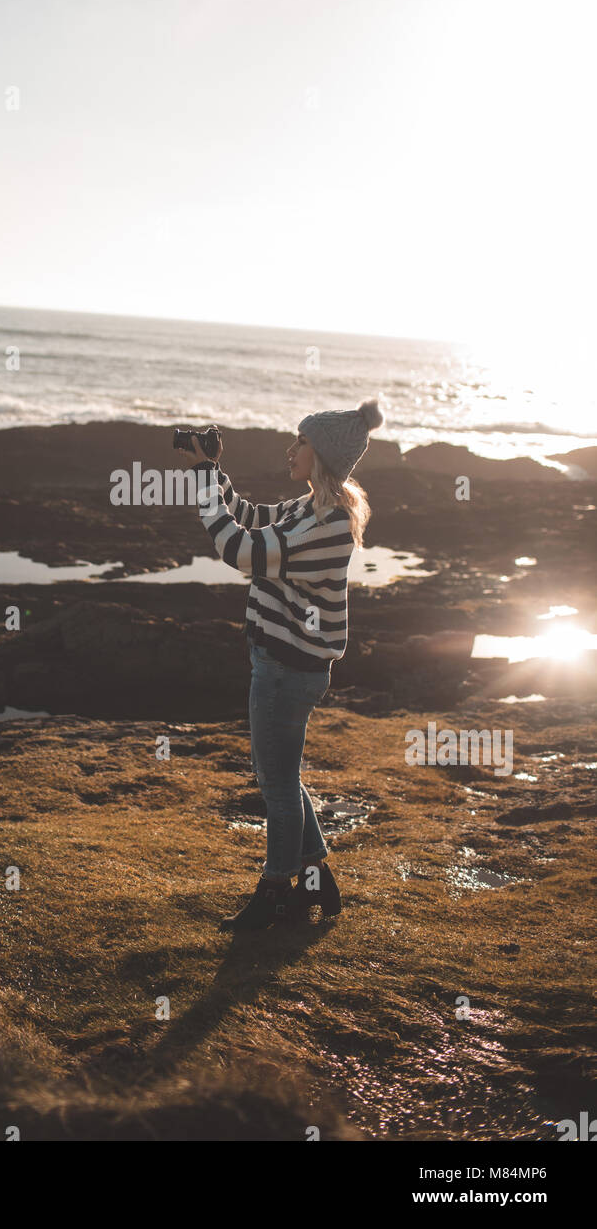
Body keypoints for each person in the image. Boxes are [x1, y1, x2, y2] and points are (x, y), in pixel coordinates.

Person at [182, 398, 384, 932]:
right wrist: (215, 468)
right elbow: (249, 518)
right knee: (282, 777)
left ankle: (275, 891)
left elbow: (238, 549)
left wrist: (204, 480)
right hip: (281, 662)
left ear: (321, 456)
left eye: (301, 443)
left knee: (275, 784)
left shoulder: (329, 525)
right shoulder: (310, 507)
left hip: (287, 670)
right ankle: (317, 884)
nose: (290, 449)